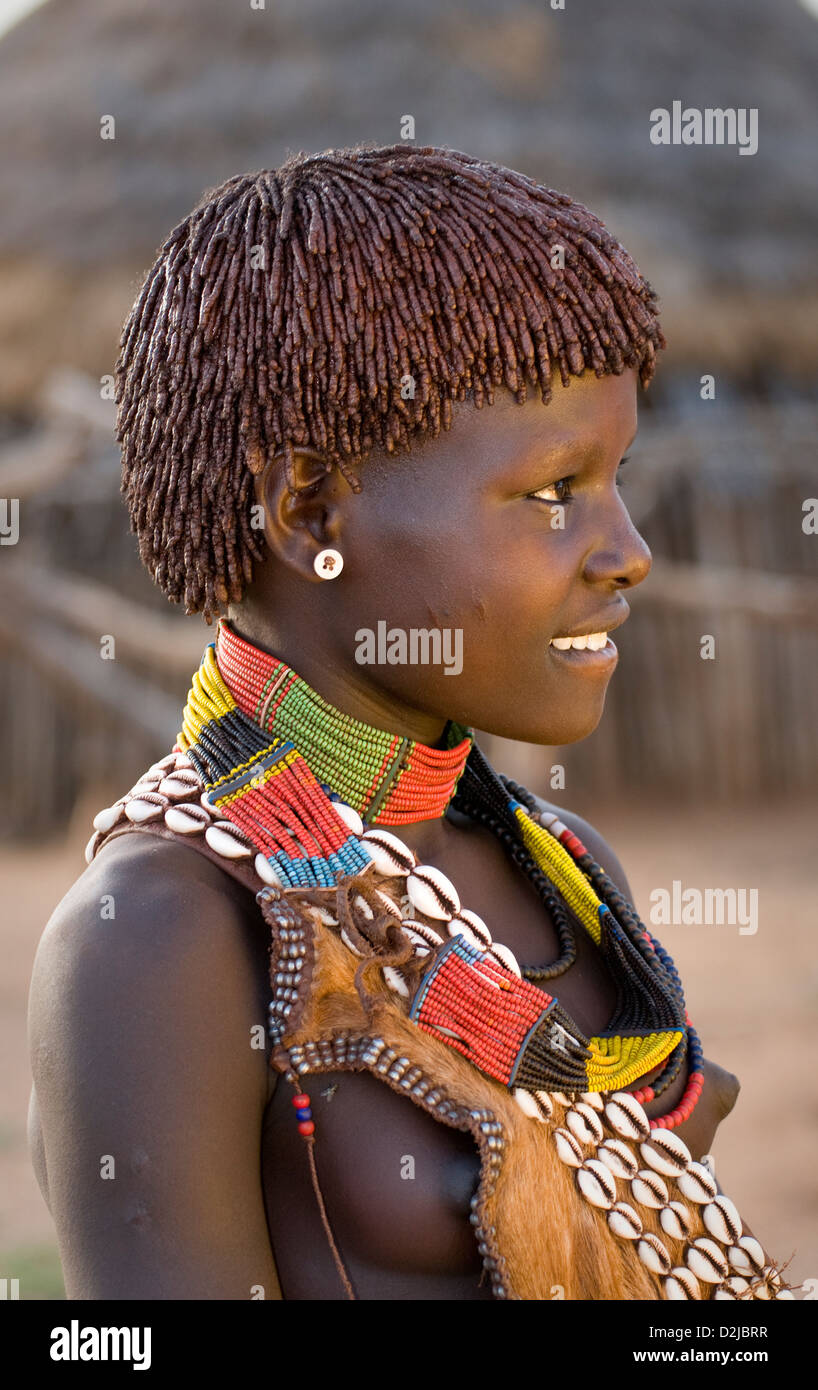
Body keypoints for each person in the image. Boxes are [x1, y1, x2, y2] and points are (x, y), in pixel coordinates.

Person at [27, 143, 791, 1301]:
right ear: (308, 508)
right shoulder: (159, 940)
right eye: (551, 493)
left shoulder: (566, 870)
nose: (628, 551)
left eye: (617, 476)